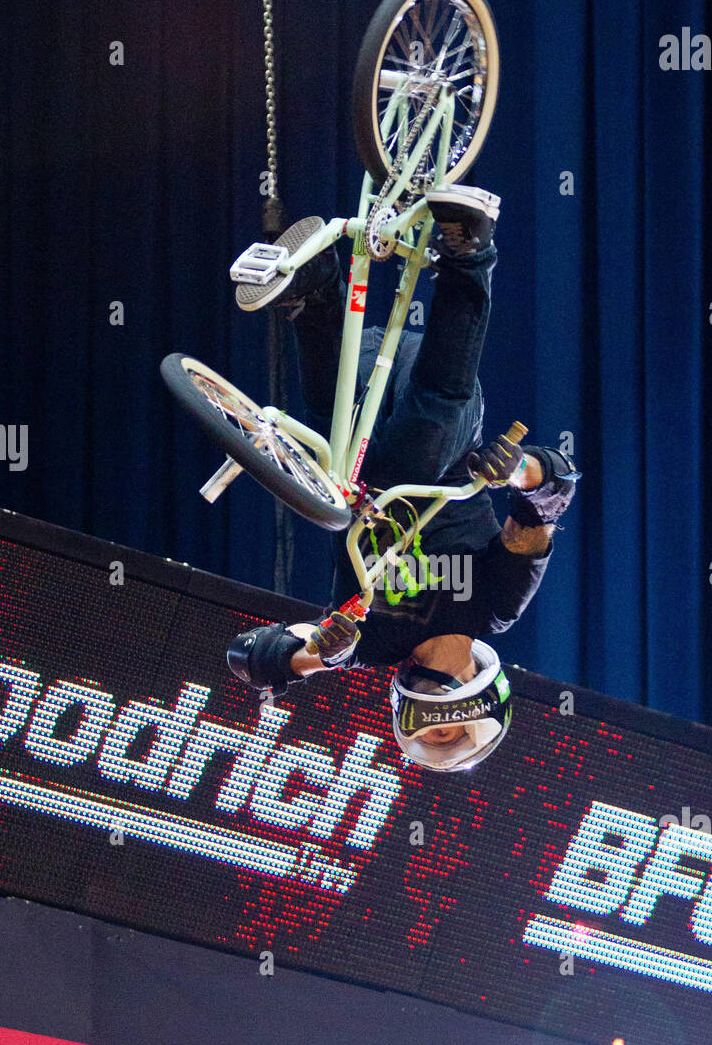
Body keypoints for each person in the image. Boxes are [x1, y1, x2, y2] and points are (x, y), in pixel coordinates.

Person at [227, 185, 579, 772]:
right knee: (418, 453)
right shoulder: (494, 607)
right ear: (481, 702)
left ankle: (315, 293)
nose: (429, 731)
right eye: (447, 738)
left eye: (423, 741)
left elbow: (250, 658)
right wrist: (516, 470)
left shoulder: (367, 646)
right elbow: (551, 498)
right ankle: (469, 250)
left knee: (332, 463)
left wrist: (312, 659)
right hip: (437, 401)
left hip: (359, 393)